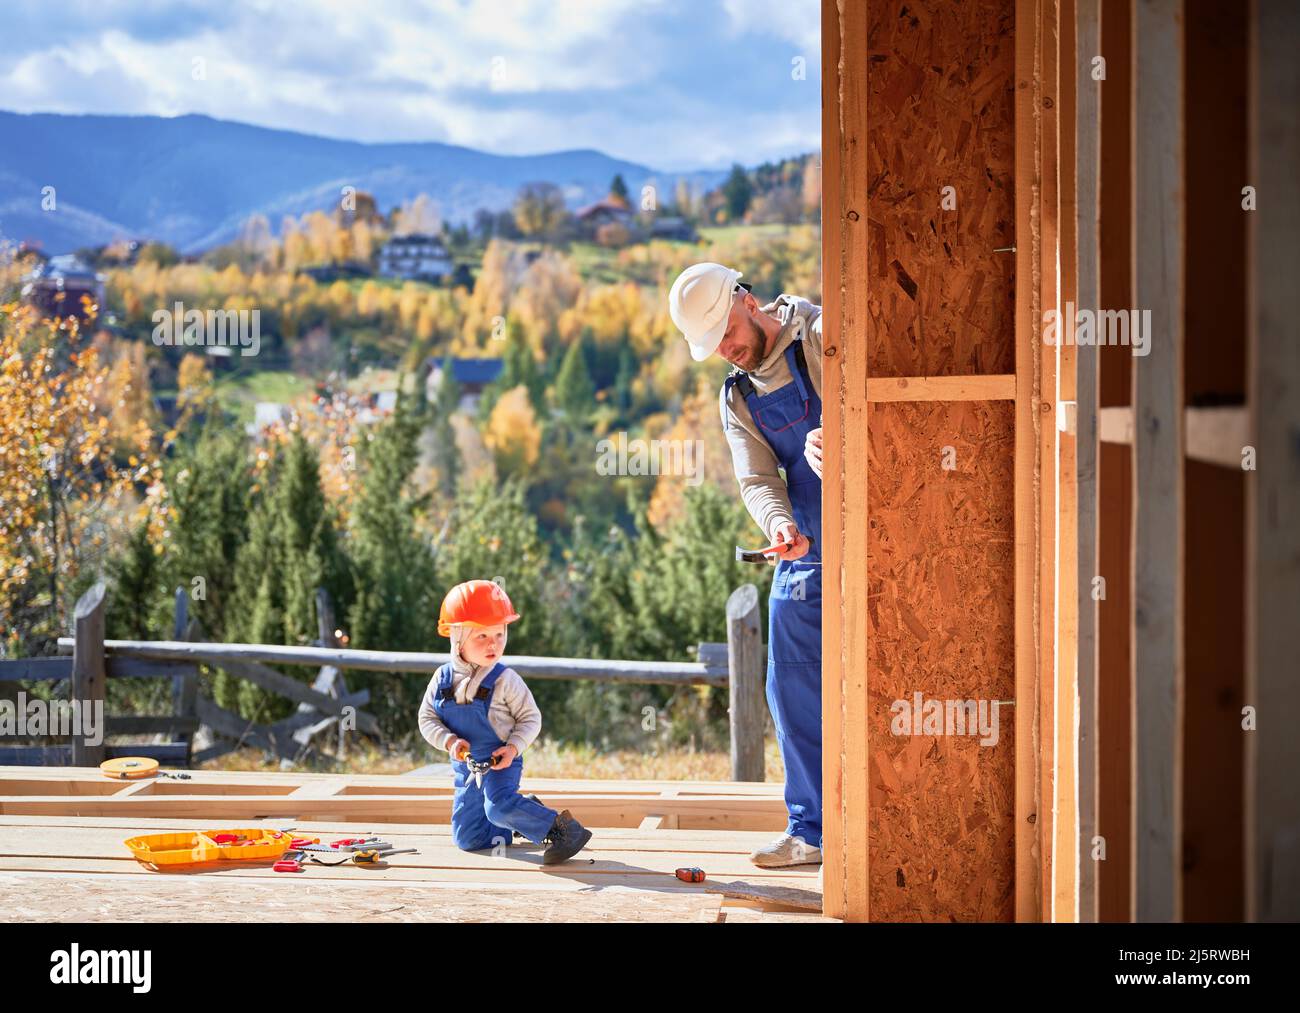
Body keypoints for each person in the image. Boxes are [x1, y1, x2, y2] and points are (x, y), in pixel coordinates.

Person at [668, 262, 825, 868]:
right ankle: (810, 831)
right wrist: (779, 524)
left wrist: (845, 434)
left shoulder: (818, 332)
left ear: (747, 301)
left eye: (728, 336)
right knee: (788, 677)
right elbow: (758, 478)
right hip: (807, 535)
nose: (727, 353)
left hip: (877, 518)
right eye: (715, 349)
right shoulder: (738, 394)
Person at [417, 579, 592, 864]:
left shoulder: (505, 680)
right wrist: (448, 741)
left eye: (499, 635)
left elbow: (530, 718)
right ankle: (523, 815)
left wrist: (512, 748)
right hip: (467, 767)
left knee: (497, 806)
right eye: (482, 637)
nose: (493, 644)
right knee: (468, 839)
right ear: (458, 640)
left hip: (501, 762)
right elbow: (427, 718)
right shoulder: (442, 679)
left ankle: (562, 830)